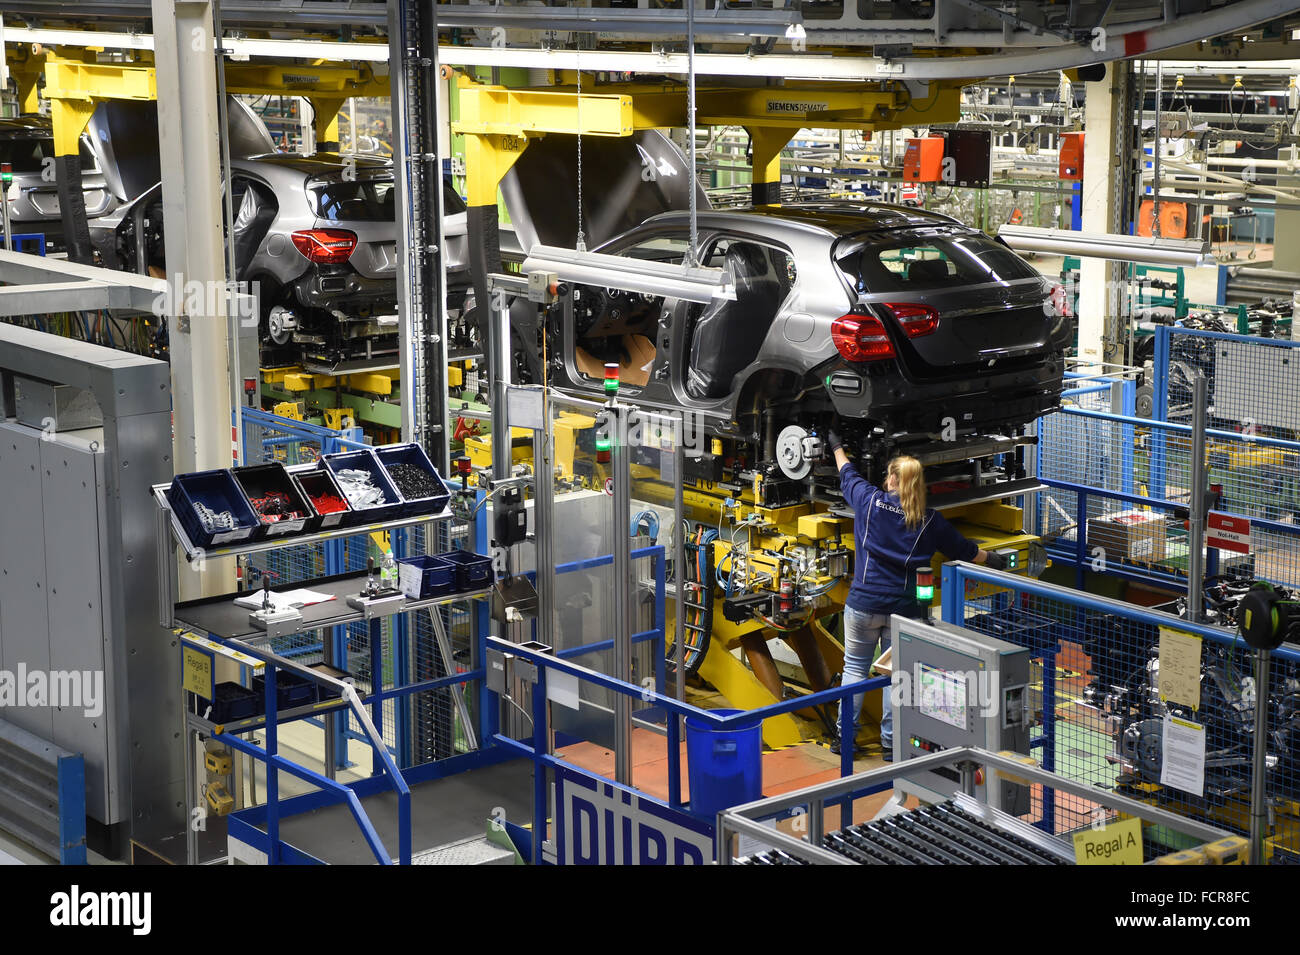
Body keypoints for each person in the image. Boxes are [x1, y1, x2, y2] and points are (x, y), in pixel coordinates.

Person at [825, 427, 1008, 759]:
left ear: (892, 480)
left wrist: (837, 444)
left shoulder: (868, 501)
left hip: (863, 604)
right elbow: (965, 551)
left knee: (854, 669)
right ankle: (891, 744)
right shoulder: (929, 520)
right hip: (903, 610)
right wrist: (994, 560)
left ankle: (844, 740)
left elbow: (846, 472)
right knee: (897, 676)